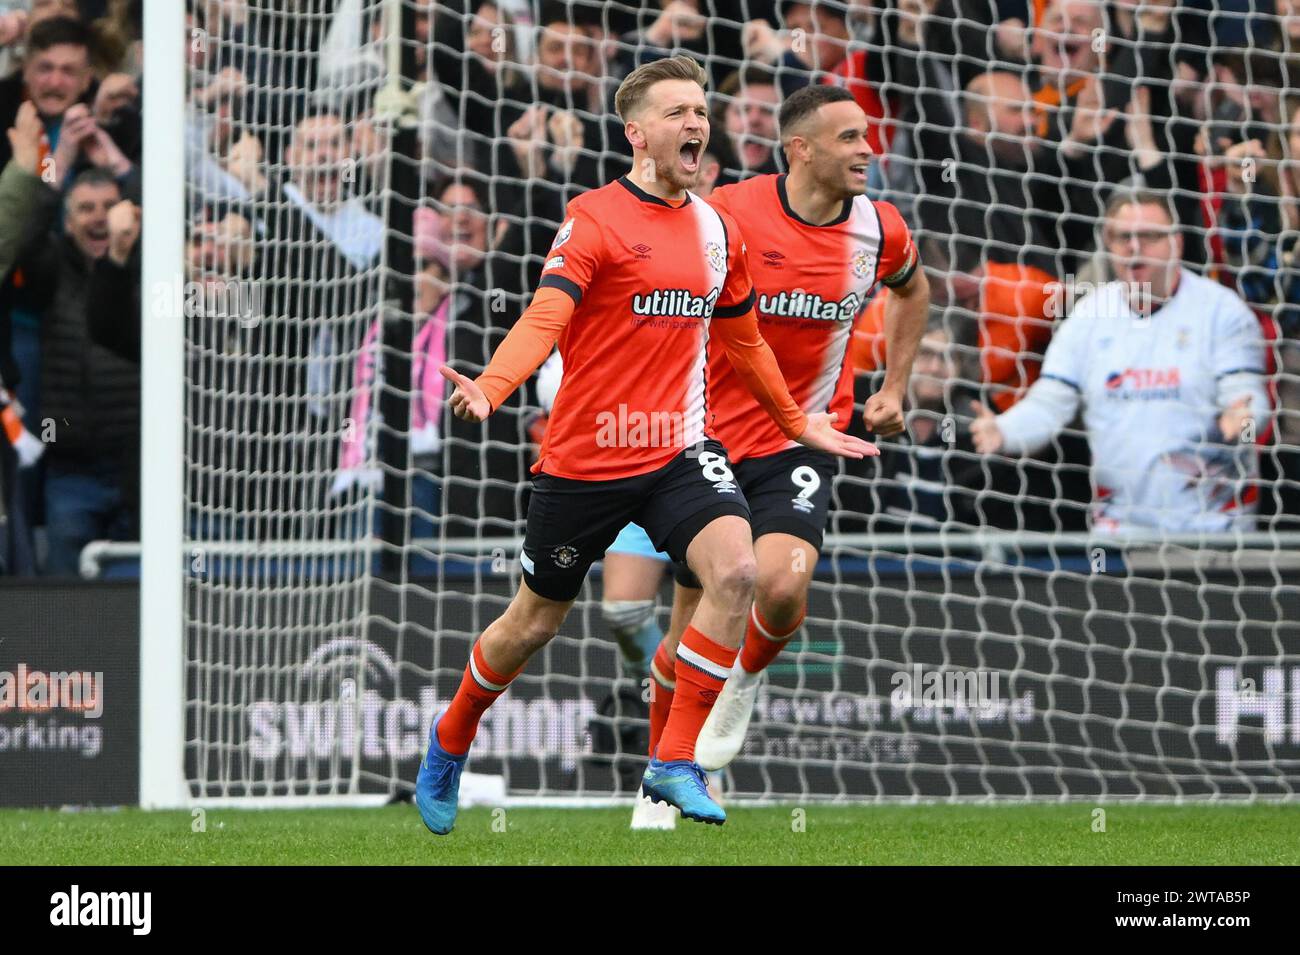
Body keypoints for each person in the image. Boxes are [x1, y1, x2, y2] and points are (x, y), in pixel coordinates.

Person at [415, 55, 876, 834]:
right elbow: (544, 317)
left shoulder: (715, 226)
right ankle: (450, 739)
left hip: (680, 450)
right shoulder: (594, 217)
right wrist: (493, 386)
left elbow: (745, 344)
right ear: (636, 134)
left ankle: (673, 760)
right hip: (587, 460)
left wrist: (798, 424)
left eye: (700, 110)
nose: (696, 122)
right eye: (677, 113)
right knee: (531, 624)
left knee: (737, 571)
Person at [641, 84, 929, 775]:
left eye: (867, 135)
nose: (868, 149)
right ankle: (659, 781)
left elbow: (913, 290)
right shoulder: (729, 212)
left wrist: (894, 387)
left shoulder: (880, 229)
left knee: (780, 582)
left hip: (802, 439)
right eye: (850, 138)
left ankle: (744, 680)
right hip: (704, 442)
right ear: (800, 150)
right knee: (684, 632)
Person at [970, 191, 1268, 534]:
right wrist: (1005, 431)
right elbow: (1049, 403)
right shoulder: (1089, 315)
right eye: (1123, 237)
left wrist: (1243, 419)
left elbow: (1246, 394)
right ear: (1108, 245)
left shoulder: (1221, 310)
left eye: (1148, 236)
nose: (1134, 247)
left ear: (1177, 243)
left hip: (1214, 528)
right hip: (1120, 532)